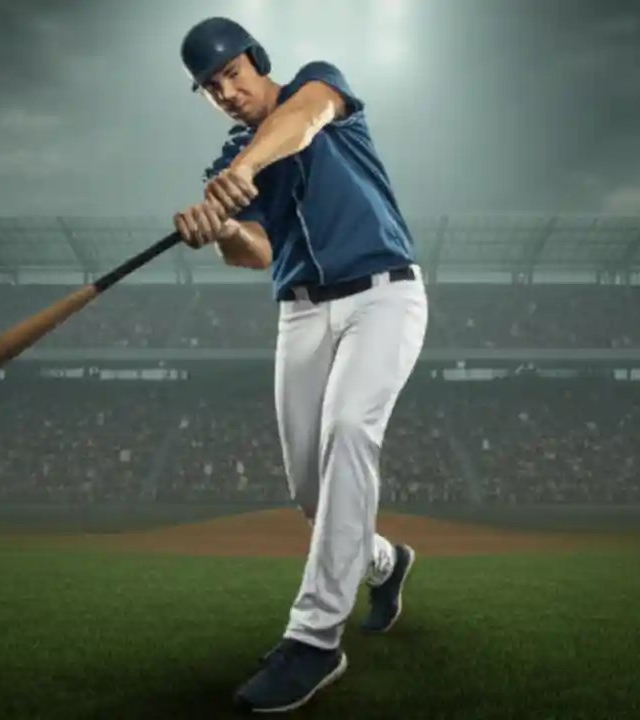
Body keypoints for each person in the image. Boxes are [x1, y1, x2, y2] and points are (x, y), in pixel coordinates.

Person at [172, 16, 430, 714]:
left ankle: (315, 640)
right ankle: (384, 561)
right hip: (302, 311)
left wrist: (245, 170)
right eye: (210, 86)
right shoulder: (225, 161)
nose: (226, 92)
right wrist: (219, 225)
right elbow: (254, 251)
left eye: (232, 73)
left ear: (258, 62)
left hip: (383, 294)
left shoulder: (318, 84)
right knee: (312, 495)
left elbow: (308, 119)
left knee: (350, 429)